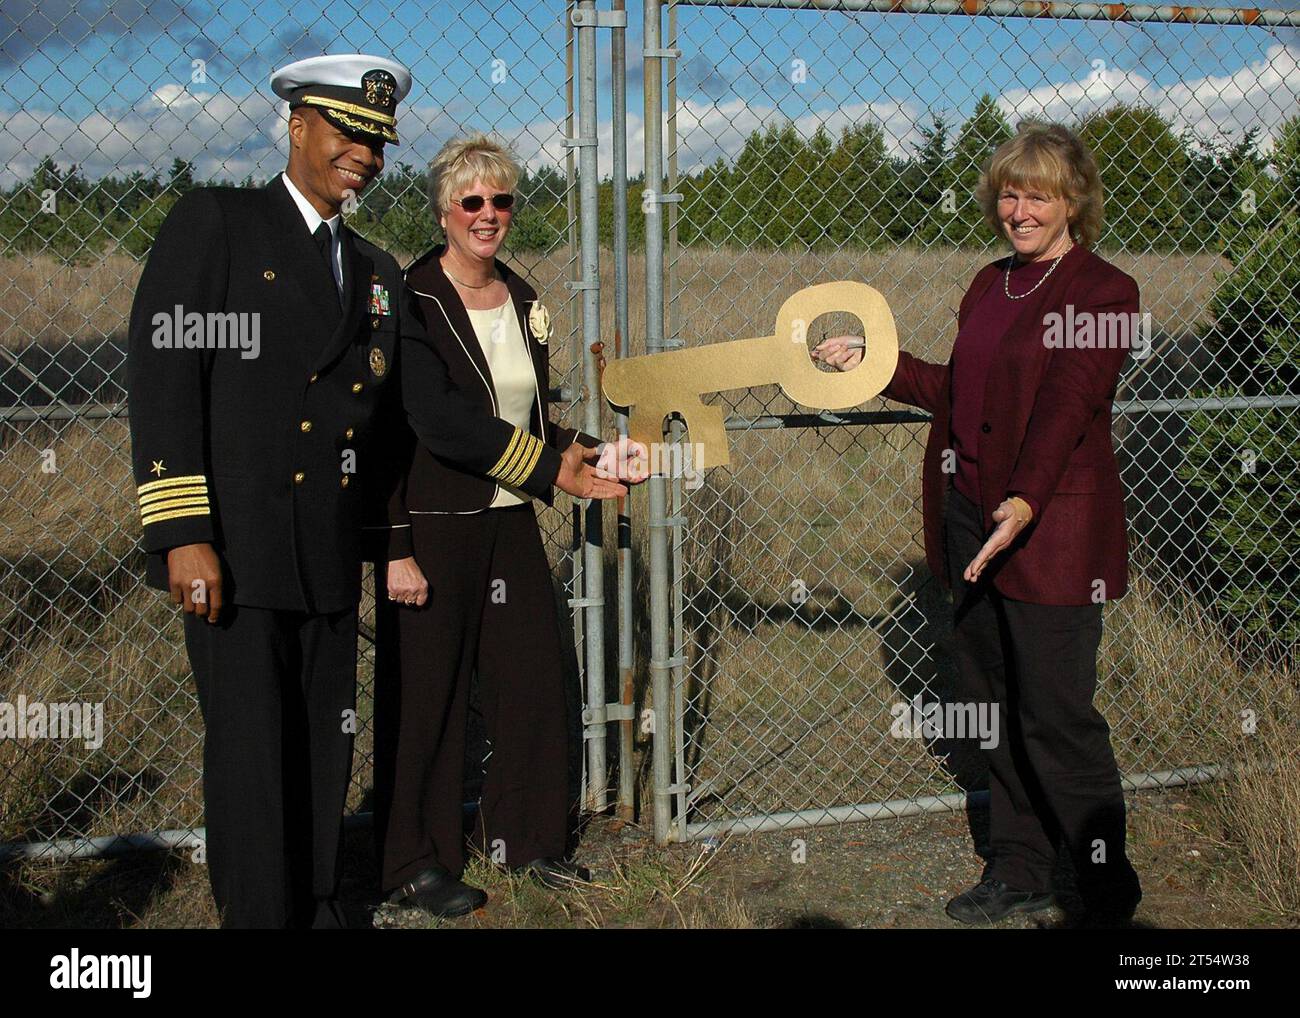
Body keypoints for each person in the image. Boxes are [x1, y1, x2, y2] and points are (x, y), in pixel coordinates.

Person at [126, 56, 624, 929]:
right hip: (236, 547)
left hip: (323, 545)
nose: (361, 153)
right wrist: (181, 532)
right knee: (252, 750)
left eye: (376, 141)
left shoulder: (372, 269)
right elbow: (166, 379)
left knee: (322, 743)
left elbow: (409, 414)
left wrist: (560, 457)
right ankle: (260, 914)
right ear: (297, 127)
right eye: (346, 132)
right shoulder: (221, 223)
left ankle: (318, 904)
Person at [814, 121, 1143, 926]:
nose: (1019, 209)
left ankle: (1105, 889)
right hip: (970, 526)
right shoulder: (990, 284)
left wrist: (1023, 502)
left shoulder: (1106, 292)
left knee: (1057, 716)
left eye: (1037, 194)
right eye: (1008, 192)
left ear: (1074, 202)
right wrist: (877, 366)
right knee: (990, 704)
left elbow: (1069, 406)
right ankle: (1021, 865)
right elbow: (960, 391)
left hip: (1049, 538)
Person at [369, 133, 646, 918]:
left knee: (532, 683)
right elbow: (434, 420)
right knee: (430, 700)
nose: (489, 215)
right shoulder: (411, 298)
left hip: (507, 518)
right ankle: (412, 864)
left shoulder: (523, 296)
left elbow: (527, 418)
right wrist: (397, 546)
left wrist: (592, 455)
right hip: (433, 525)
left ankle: (526, 845)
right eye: (472, 202)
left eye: (502, 200)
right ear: (443, 211)